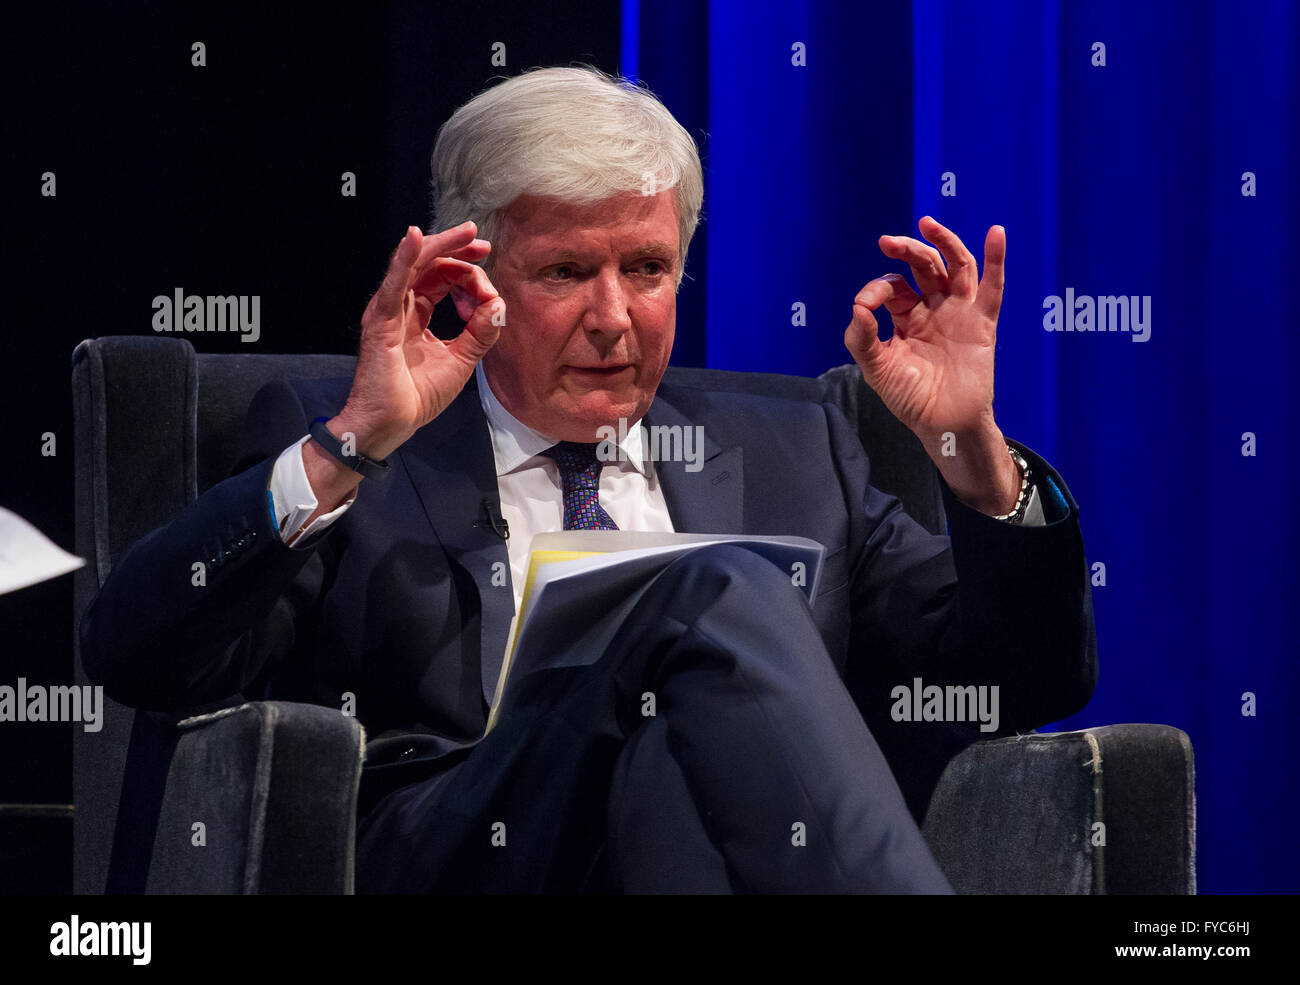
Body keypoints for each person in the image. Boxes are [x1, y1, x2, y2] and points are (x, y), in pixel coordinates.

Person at [80, 65, 1097, 893]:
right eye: (566, 272)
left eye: (646, 269)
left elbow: (1018, 682)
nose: (613, 316)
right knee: (719, 589)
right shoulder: (369, 452)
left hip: (694, 847)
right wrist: (347, 442)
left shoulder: (800, 449)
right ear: (471, 275)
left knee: (669, 763)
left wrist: (970, 447)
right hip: (460, 849)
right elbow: (140, 658)